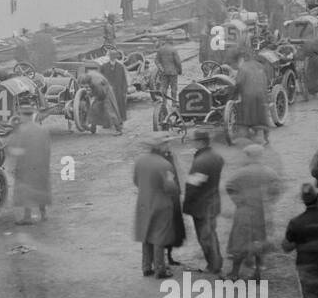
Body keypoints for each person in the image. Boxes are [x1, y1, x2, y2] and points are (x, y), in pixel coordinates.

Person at [224, 144, 284, 280]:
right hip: (261, 212)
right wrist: (269, 201)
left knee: (239, 241)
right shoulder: (269, 172)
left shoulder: (241, 172)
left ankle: (234, 274)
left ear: (248, 156)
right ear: (260, 156)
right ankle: (257, 274)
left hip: (244, 211)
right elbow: (276, 189)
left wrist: (238, 201)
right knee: (259, 241)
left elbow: (229, 186)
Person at [133, 133, 185, 278]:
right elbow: (171, 187)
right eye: (166, 143)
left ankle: (146, 267)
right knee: (159, 237)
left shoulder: (140, 161)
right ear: (160, 147)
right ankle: (160, 269)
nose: (168, 146)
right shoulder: (165, 164)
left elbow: (136, 181)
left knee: (146, 235)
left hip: (143, 203)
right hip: (161, 204)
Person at [182, 128, 225, 275]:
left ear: (201, 142)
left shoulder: (201, 161)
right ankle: (217, 261)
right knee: (211, 234)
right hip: (213, 202)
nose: (193, 143)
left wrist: (187, 205)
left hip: (201, 206)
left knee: (205, 237)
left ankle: (213, 265)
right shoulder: (216, 157)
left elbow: (193, 186)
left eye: (195, 140)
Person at [6, 114, 51, 225]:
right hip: (41, 165)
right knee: (40, 188)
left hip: (27, 165)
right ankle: (43, 213)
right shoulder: (42, 130)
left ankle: (27, 217)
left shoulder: (22, 132)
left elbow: (16, 150)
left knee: (27, 189)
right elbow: (47, 149)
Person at [233, 50, 271, 145]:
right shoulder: (260, 66)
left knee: (247, 116)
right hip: (261, 94)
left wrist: (233, 96)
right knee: (261, 116)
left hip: (248, 95)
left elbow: (238, 83)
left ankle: (247, 136)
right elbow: (267, 80)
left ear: (242, 59)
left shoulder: (243, 68)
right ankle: (265, 137)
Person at [83, 68, 123, 134]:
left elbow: (101, 93)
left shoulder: (96, 83)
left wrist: (91, 94)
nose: (86, 85)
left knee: (111, 112)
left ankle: (118, 129)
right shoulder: (91, 77)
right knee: (93, 109)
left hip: (106, 95)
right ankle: (93, 129)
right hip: (102, 94)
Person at [101, 54, 129, 123]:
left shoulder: (120, 67)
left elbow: (124, 80)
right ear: (109, 57)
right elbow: (101, 79)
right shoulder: (104, 66)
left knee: (119, 106)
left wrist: (124, 91)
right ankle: (108, 122)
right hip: (108, 90)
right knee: (108, 106)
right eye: (111, 56)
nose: (113, 58)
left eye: (114, 56)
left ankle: (120, 120)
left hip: (118, 90)